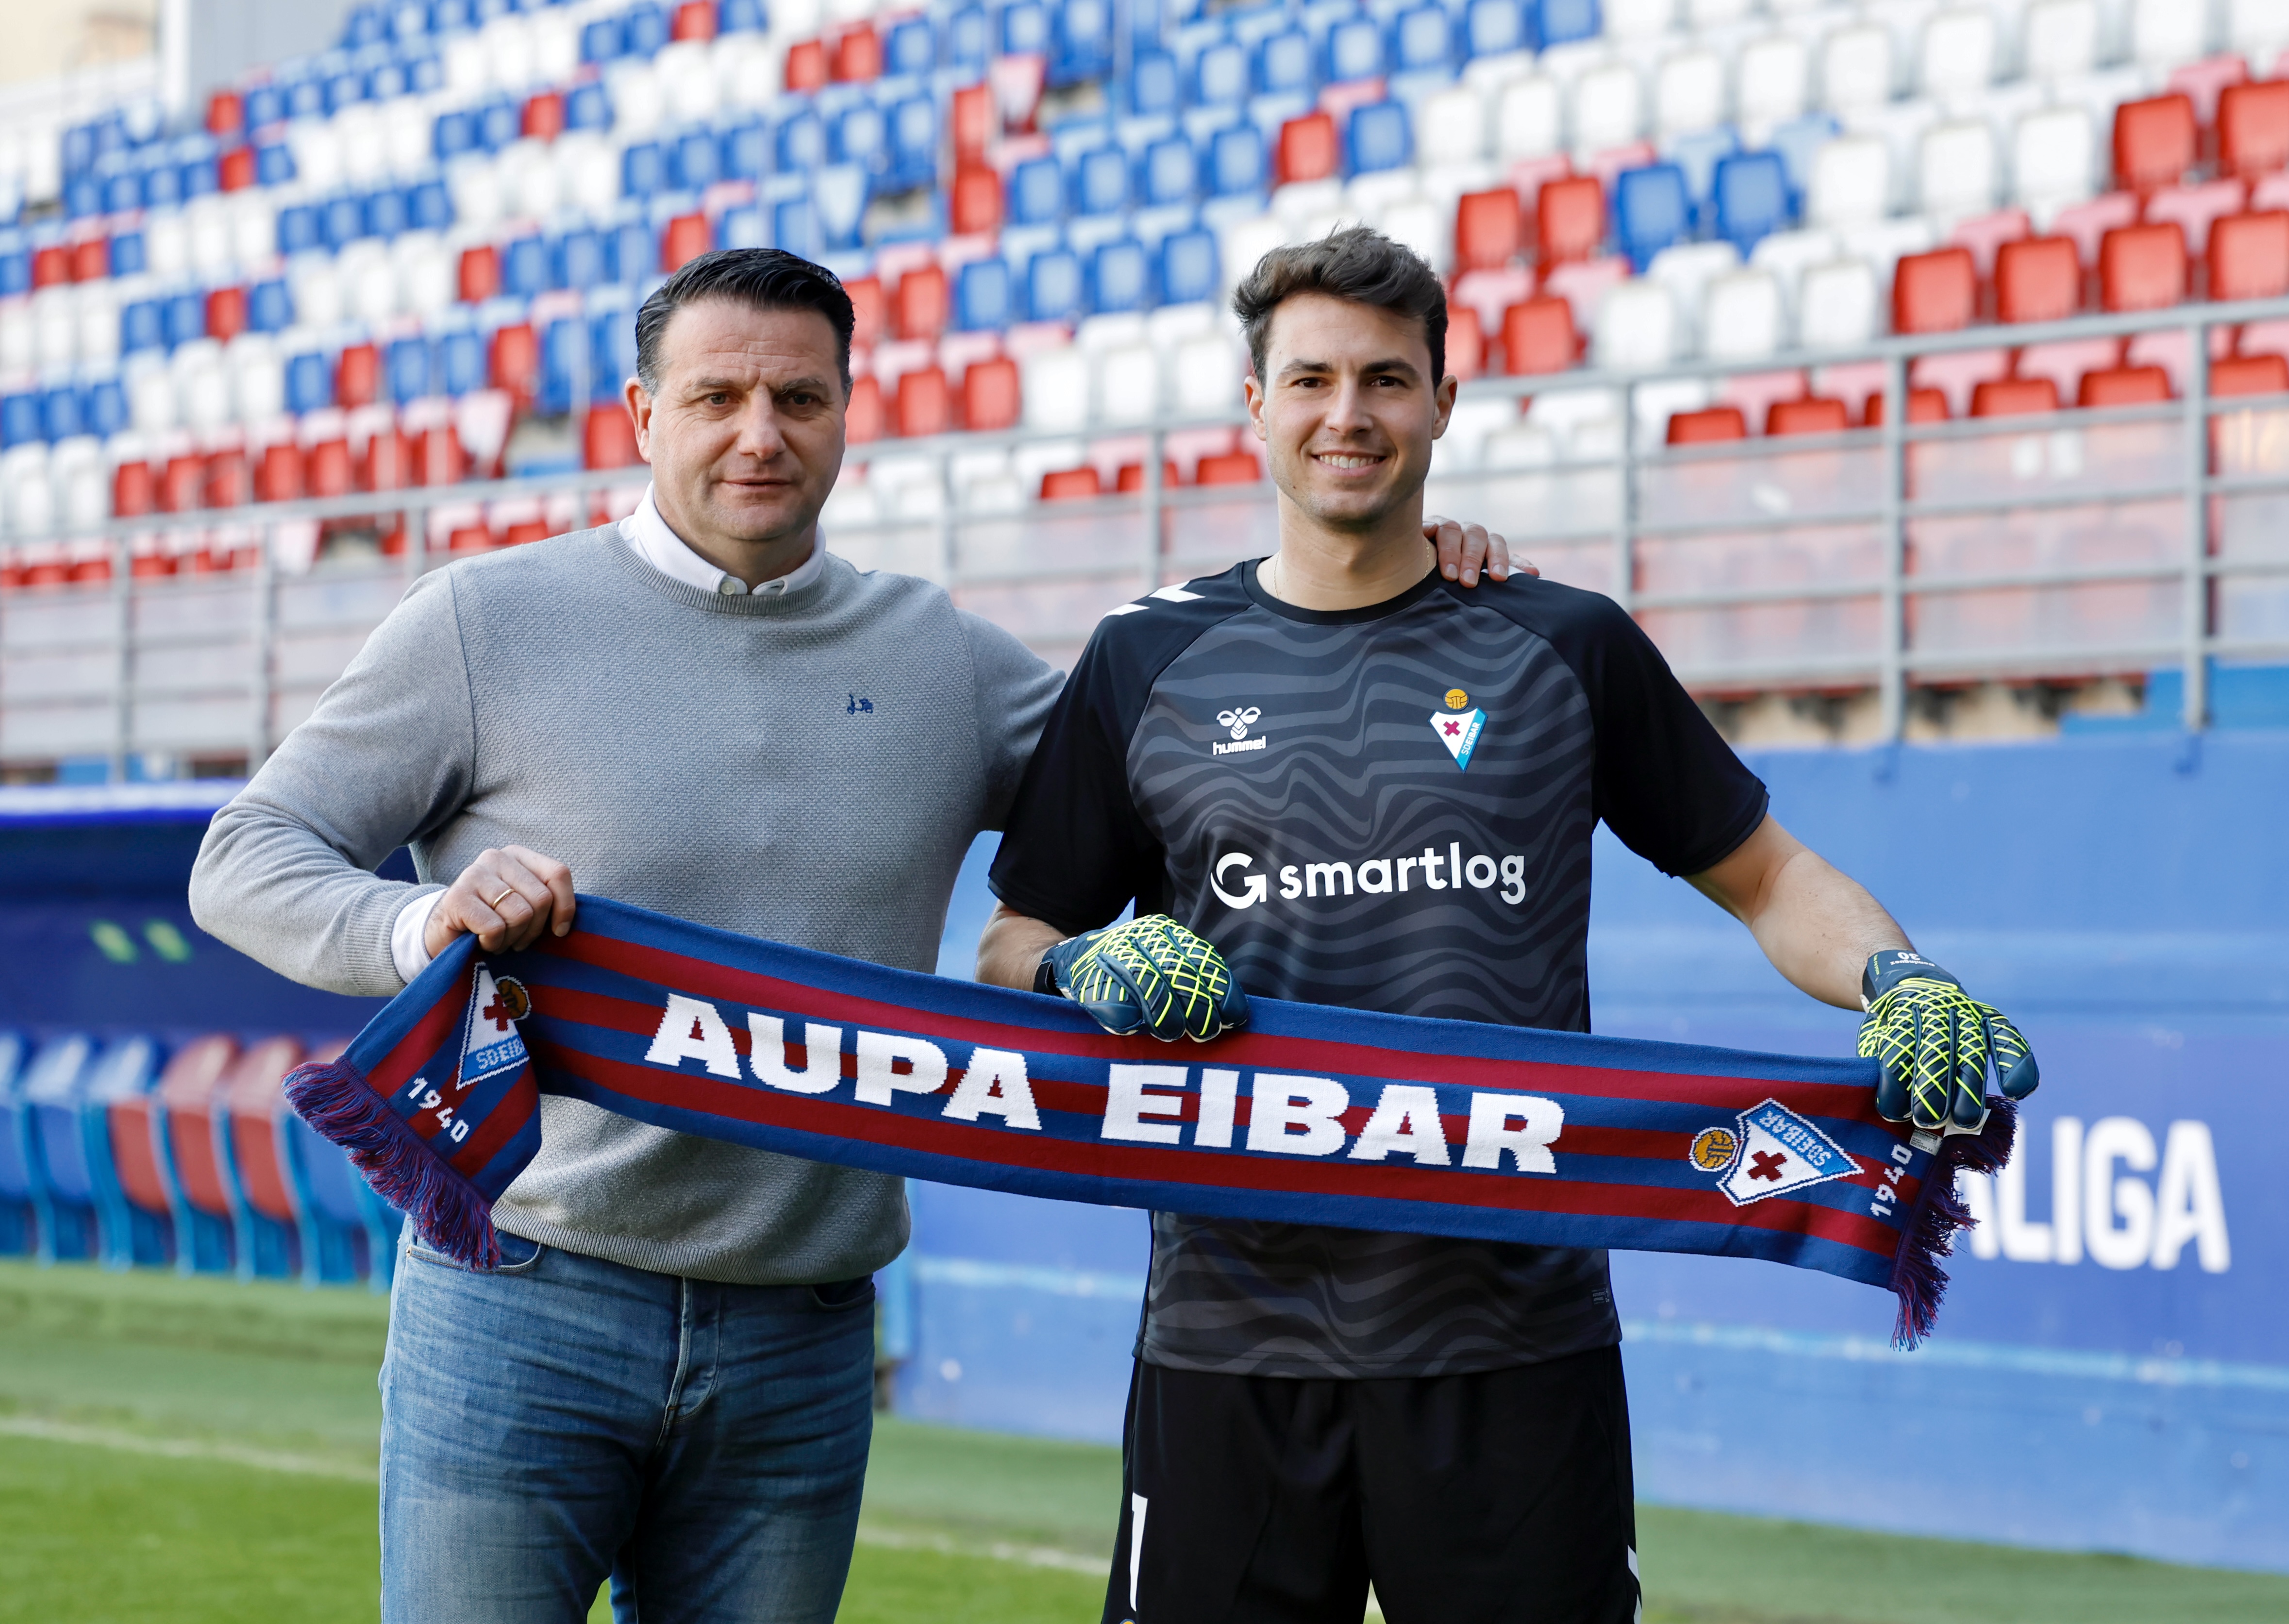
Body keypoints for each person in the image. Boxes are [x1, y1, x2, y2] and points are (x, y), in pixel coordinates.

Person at [187, 245, 1520, 1624]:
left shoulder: (936, 654)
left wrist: (1410, 592)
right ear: (641, 416)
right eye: (716, 399)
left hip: (804, 1331)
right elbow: (245, 856)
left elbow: (1197, 765)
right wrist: (422, 922)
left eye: (799, 401)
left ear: (846, 415)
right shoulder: (481, 621)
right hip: (524, 1302)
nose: (759, 435)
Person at [977, 226, 2038, 1624]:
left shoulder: (1561, 642)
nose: (1345, 414)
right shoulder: (1142, 658)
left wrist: (1894, 974)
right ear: (1253, 406)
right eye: (1307, 380)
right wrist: (1077, 959)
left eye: (1384, 379)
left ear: (1442, 403)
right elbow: (1010, 938)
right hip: (1227, 1330)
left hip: (1513, 1332)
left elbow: (1768, 877)